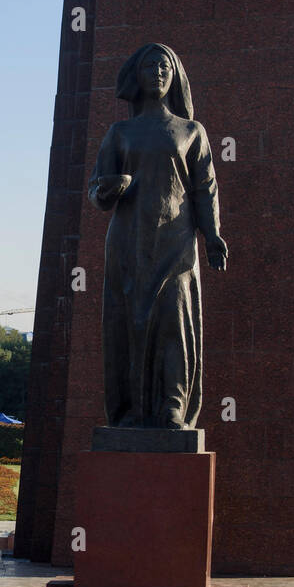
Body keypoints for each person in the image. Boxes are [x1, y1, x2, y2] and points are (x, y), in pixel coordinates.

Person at [88, 42, 228, 430]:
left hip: (177, 242)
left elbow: (206, 188)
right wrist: (106, 190)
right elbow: (96, 190)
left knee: (174, 320)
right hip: (129, 242)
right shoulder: (119, 133)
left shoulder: (190, 131)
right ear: (137, 76)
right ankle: (130, 411)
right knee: (130, 321)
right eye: (150, 66)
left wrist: (212, 234)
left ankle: (173, 405)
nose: (157, 72)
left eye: (164, 66)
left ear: (175, 75)